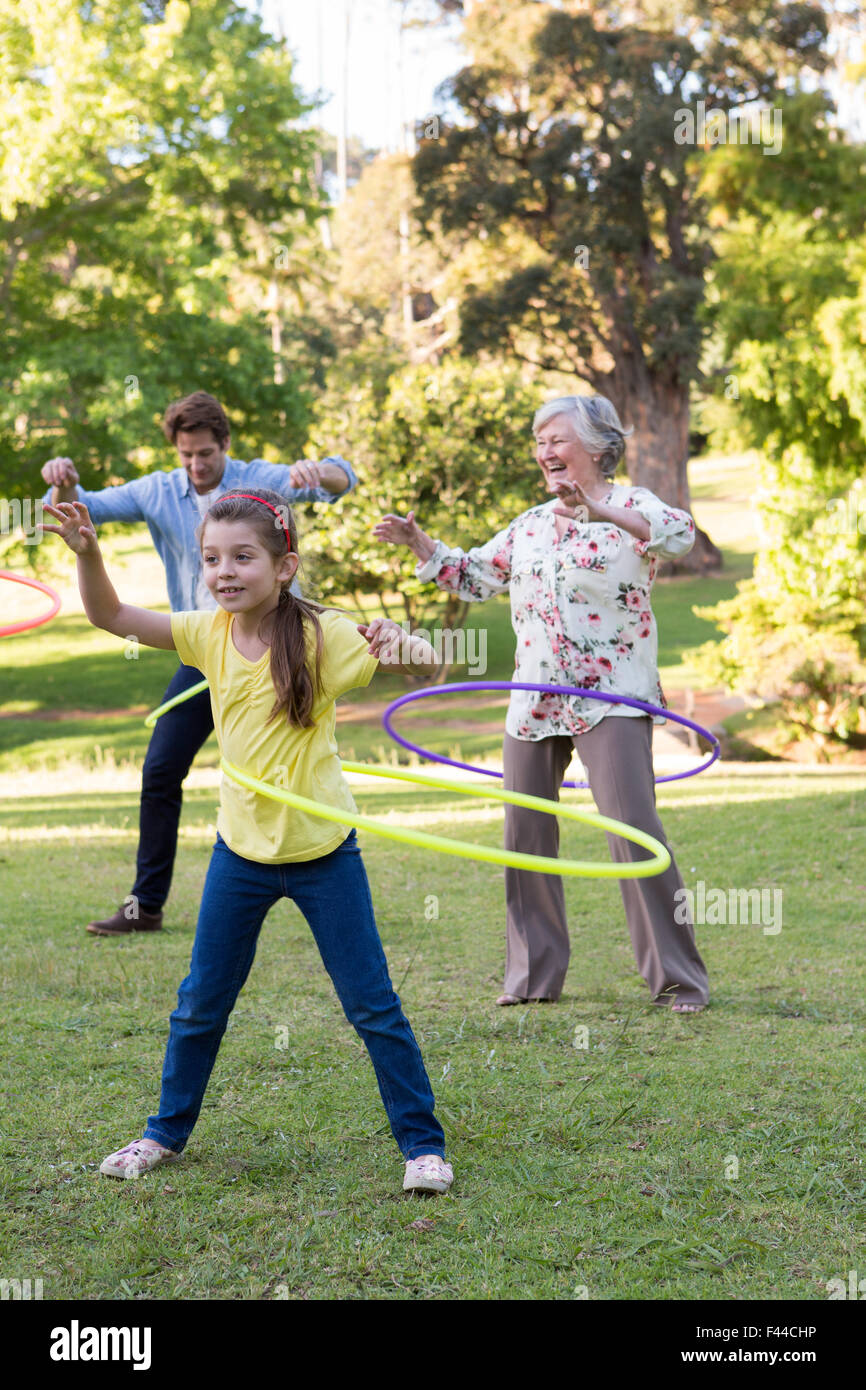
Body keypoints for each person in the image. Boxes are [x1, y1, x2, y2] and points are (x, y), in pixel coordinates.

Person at [43, 488, 452, 1194]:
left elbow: (433, 673)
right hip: (240, 854)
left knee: (372, 1005)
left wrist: (405, 643)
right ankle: (163, 1135)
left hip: (323, 850)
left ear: (284, 566)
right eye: (211, 559)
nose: (224, 571)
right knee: (201, 1001)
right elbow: (110, 616)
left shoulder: (326, 635)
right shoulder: (206, 633)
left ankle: (423, 1147)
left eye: (243, 558)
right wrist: (90, 553)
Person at [374, 394, 709, 1015]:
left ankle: (678, 979)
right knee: (523, 836)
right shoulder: (528, 524)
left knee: (633, 834)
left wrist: (599, 510)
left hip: (611, 696)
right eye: (538, 441)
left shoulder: (635, 506)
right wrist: (420, 542)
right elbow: (473, 576)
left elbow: (681, 535)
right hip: (533, 698)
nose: (544, 451)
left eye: (556, 439)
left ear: (597, 446)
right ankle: (532, 978)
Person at [41, 390, 358, 937]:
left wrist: (322, 471)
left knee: (292, 766)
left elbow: (340, 480)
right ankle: (147, 904)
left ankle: (317, 871)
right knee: (161, 768)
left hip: (280, 650)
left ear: (225, 445)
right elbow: (88, 506)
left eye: (206, 453)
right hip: (205, 646)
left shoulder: (260, 481)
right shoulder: (158, 490)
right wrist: (65, 483)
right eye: (186, 454)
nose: (196, 465)